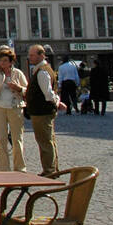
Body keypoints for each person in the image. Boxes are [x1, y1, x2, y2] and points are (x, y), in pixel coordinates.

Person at [0, 47, 27, 172]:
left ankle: (20, 168)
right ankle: (4, 168)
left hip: (15, 107)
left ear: (11, 62)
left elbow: (27, 90)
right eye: (1, 61)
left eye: (5, 61)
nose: (2, 63)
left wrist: (18, 88)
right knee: (1, 138)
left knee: (17, 139)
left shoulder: (18, 73)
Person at [26, 45, 63, 176]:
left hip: (42, 112)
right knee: (49, 140)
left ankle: (49, 170)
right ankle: (53, 168)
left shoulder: (42, 71)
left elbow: (48, 94)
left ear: (41, 55)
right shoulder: (42, 69)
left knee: (45, 141)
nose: (29, 57)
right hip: (43, 111)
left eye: (32, 55)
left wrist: (57, 102)